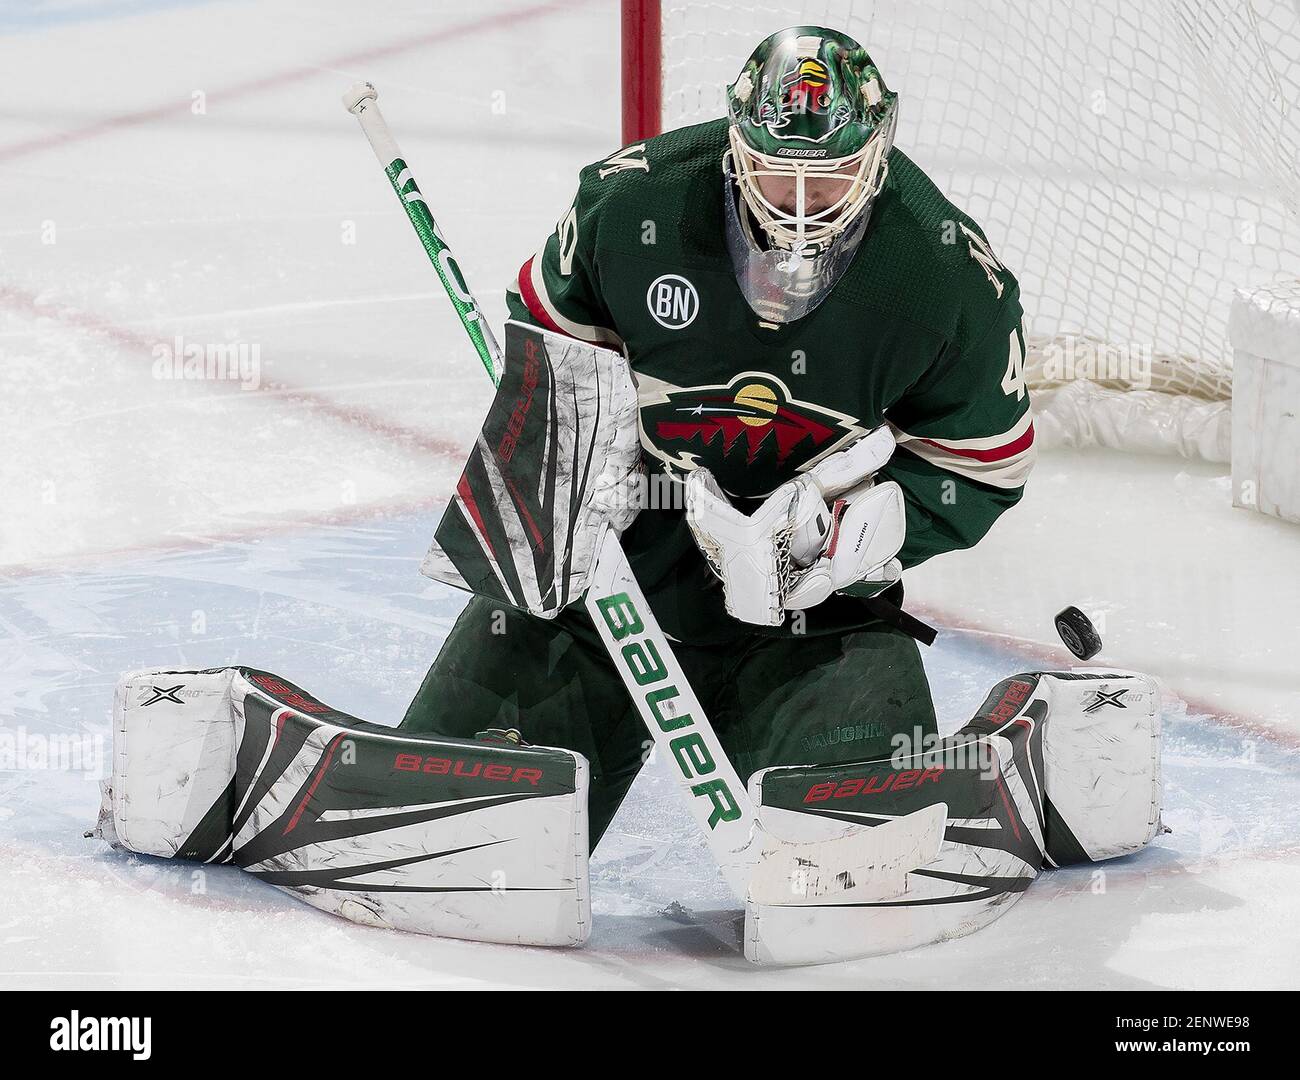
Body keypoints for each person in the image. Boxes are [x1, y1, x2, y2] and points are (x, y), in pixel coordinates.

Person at [401, 25, 1036, 850]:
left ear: (878, 151)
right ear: (737, 141)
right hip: (612, 567)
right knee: (455, 827)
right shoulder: (632, 202)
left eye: (832, 170)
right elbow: (550, 351)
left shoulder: (945, 274)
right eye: (780, 168)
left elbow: (981, 464)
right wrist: (581, 478)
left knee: (856, 843)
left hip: (810, 605)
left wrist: (853, 538)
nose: (803, 200)